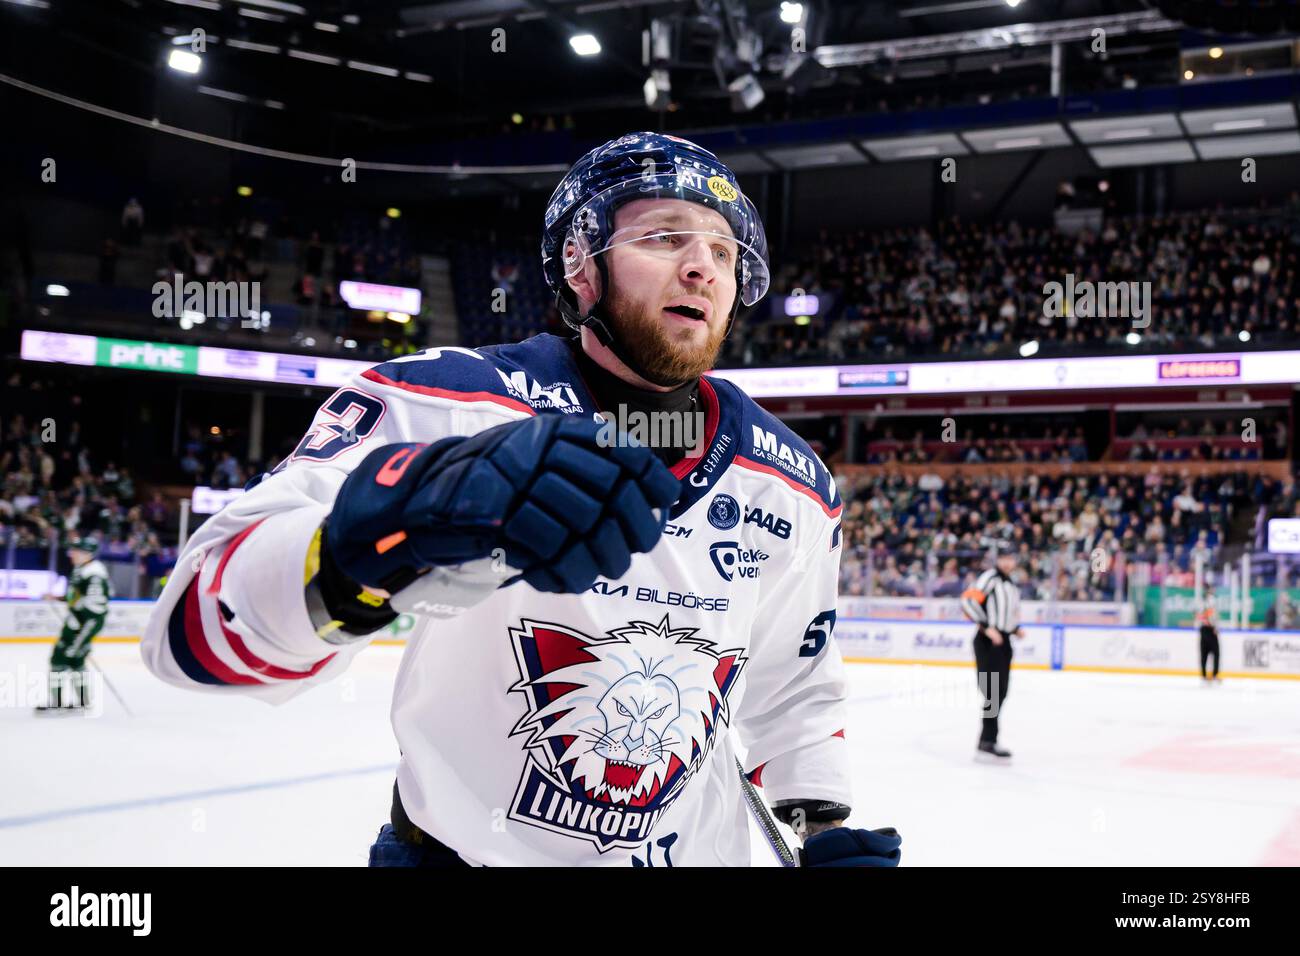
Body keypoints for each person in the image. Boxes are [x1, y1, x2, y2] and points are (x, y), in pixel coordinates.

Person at [141, 132, 901, 868]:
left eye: (724, 250)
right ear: (580, 262)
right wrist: (382, 526)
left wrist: (819, 825)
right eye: (665, 237)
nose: (703, 266)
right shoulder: (441, 403)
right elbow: (190, 635)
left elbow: (794, 682)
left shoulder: (793, 481)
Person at [960, 541, 1024, 762]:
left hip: (1004, 641)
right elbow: (968, 601)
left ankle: (988, 739)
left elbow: (1007, 612)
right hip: (989, 642)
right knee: (992, 691)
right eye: (1004, 558)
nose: (1008, 562)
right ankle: (987, 741)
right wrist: (987, 628)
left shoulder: (1010, 583)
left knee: (1000, 691)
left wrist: (1015, 629)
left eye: (1011, 558)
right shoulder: (991, 578)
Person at [36, 536, 112, 714]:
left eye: (76, 551)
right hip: (75, 623)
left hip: (82, 625)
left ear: (87, 553)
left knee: (60, 659)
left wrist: (83, 633)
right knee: (76, 661)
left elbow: (96, 608)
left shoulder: (94, 573)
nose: (72, 554)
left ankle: (58, 703)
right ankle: (82, 701)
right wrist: (57, 598)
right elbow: (76, 596)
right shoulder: (82, 568)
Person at [1196, 597, 1221, 683]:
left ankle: (1208, 675)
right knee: (1208, 653)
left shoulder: (1205, 605)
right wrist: (1213, 626)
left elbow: (1199, 616)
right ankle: (1208, 675)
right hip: (1208, 630)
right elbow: (1202, 617)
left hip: (1206, 630)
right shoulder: (1207, 606)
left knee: (1208, 653)